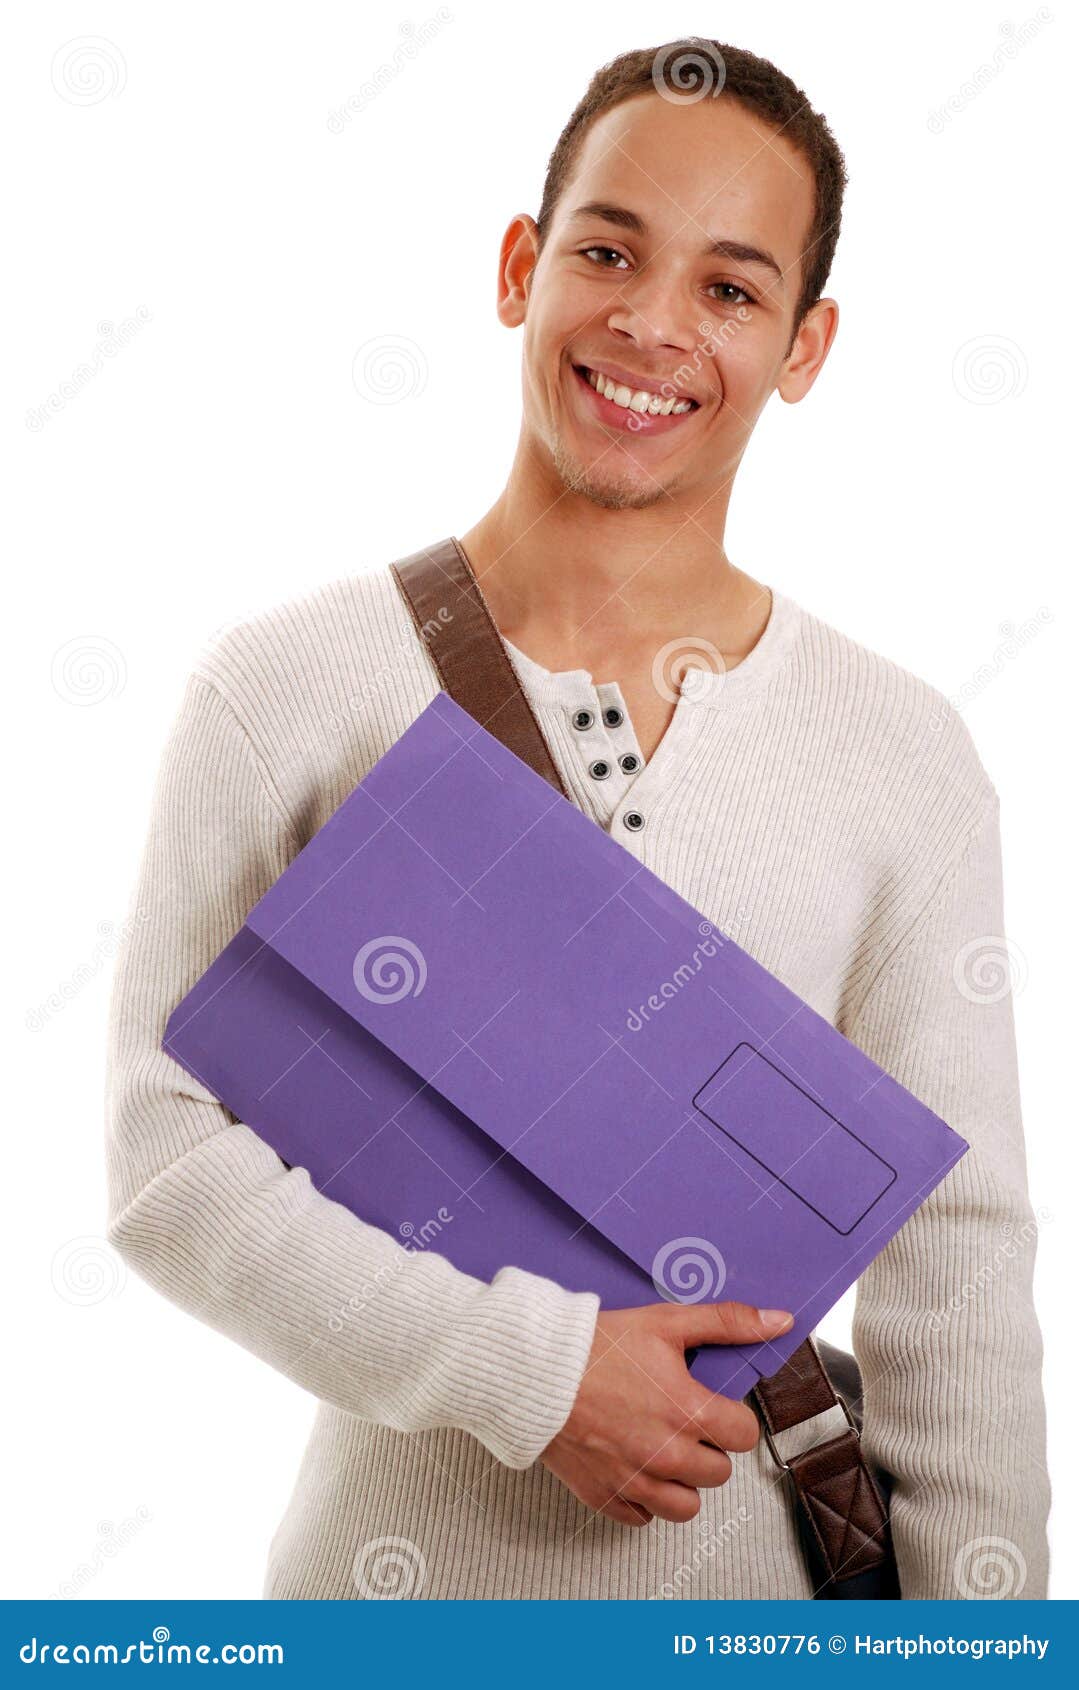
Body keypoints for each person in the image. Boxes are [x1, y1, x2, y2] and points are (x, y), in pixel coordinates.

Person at [104, 38, 1051, 1600]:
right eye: (608, 252)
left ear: (805, 347)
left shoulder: (900, 754)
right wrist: (527, 1372)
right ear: (520, 269)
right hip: (380, 1614)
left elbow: (961, 1253)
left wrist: (983, 1639)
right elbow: (161, 1158)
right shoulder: (286, 688)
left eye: (732, 289)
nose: (653, 323)